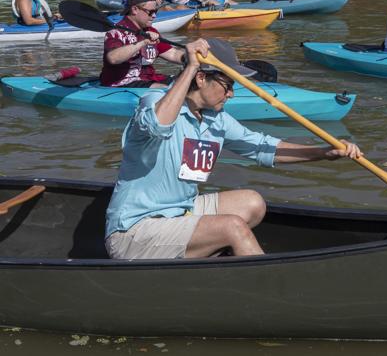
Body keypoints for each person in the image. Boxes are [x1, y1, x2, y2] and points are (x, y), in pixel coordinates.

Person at [104, 37, 363, 259]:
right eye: (227, 86)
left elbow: (263, 148)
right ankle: (269, 281)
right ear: (201, 78)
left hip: (181, 212)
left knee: (252, 203)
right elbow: (159, 125)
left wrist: (322, 153)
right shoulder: (154, 101)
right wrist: (190, 66)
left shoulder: (216, 120)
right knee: (232, 227)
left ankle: (212, 256)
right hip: (135, 230)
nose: (231, 95)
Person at [100, 0, 186, 88]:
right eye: (150, 12)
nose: (154, 16)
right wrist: (143, 42)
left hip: (149, 79)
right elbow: (113, 58)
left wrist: (191, 56)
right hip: (122, 83)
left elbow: (173, 54)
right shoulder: (116, 32)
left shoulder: (151, 31)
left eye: (156, 11)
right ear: (135, 10)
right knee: (169, 89)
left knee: (189, 81)